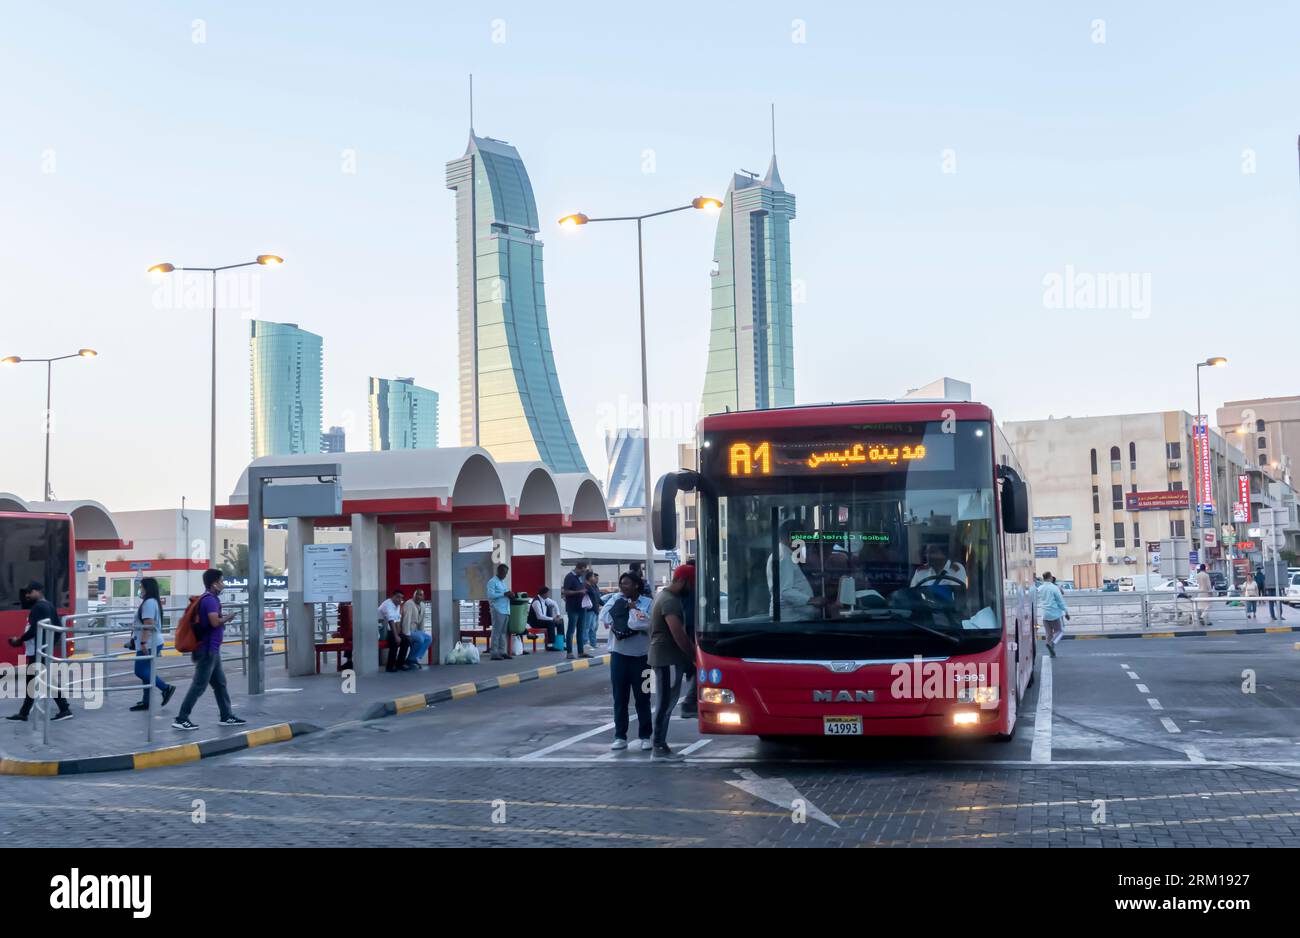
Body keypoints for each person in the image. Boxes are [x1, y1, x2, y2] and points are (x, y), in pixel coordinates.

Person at [173, 569, 245, 730]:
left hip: (212, 649)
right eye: (221, 581)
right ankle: (181, 718)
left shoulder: (208, 599)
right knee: (199, 685)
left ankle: (226, 716)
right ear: (214, 583)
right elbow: (214, 622)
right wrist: (228, 617)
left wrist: (222, 617)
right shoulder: (210, 600)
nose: (223, 584)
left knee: (220, 684)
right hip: (207, 650)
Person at [5, 581, 73, 722]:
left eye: (30, 592)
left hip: (38, 651)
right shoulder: (48, 605)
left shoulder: (39, 607)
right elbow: (58, 628)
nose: (28, 595)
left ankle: (64, 709)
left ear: (37, 591)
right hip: (40, 650)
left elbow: (34, 629)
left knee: (43, 680)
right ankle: (24, 713)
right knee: (35, 681)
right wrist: (50, 645)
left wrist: (19, 640)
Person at [648, 564, 696, 761]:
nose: (692, 589)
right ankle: (658, 747)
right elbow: (679, 634)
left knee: (666, 703)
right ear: (683, 581)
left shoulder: (665, 597)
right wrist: (694, 656)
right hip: (666, 659)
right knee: (665, 704)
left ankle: (660, 746)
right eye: (691, 584)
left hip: (665, 658)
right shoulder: (670, 601)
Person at [602, 572, 654, 751]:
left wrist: (632, 609)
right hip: (619, 656)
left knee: (644, 698)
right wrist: (619, 605)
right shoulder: (614, 600)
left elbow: (643, 624)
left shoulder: (648, 604)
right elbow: (606, 618)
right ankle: (620, 736)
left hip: (643, 658)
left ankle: (646, 736)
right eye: (621, 584)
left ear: (636, 586)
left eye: (627, 583)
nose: (623, 587)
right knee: (620, 698)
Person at [130, 577, 177, 711]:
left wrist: (144, 642)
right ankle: (147, 701)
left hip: (149, 643)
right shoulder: (150, 601)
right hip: (149, 642)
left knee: (140, 671)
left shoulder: (149, 602)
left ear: (147, 588)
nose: (140, 590)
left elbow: (149, 624)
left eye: (141, 587)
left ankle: (165, 688)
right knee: (146, 672)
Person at [766, 520, 825, 621]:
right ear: (789, 537)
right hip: (790, 619)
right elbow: (785, 591)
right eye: (799, 536)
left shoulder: (786, 554)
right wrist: (811, 600)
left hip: (795, 617)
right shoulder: (783, 557)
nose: (802, 541)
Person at [562, 560, 590, 660]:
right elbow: (565, 591)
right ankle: (569, 652)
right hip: (572, 607)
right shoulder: (569, 577)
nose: (583, 572)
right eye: (583, 570)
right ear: (578, 568)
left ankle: (581, 651)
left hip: (582, 607)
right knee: (571, 630)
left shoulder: (581, 577)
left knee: (581, 630)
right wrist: (579, 592)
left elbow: (583, 587)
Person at [1037, 572, 1069, 657]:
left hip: (1044, 614)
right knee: (1060, 631)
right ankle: (1051, 643)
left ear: (1043, 578)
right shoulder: (1054, 588)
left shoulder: (1040, 588)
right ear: (1050, 577)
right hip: (1055, 614)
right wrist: (1066, 611)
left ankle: (1051, 650)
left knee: (1049, 633)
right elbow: (1060, 601)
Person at [379, 589, 410, 672]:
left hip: (389, 630)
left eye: (401, 598)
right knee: (394, 640)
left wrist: (400, 634)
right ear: (392, 597)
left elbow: (397, 621)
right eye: (397, 597)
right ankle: (390, 666)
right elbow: (391, 620)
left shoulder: (398, 605)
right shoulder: (388, 604)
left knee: (406, 639)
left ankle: (400, 663)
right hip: (381, 630)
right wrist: (396, 636)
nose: (400, 600)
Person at [487, 564, 513, 660]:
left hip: (505, 609)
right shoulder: (492, 582)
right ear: (499, 571)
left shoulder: (502, 582)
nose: (505, 575)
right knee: (496, 631)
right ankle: (494, 653)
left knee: (503, 632)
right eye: (504, 573)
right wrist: (504, 593)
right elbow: (490, 595)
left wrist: (510, 594)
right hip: (497, 609)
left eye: (506, 573)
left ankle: (502, 651)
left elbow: (506, 592)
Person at [528, 586, 564, 651]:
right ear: (543, 594)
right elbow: (540, 616)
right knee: (551, 622)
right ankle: (550, 645)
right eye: (547, 593)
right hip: (535, 622)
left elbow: (555, 603)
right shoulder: (536, 602)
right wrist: (553, 619)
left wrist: (558, 615)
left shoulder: (545, 599)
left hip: (543, 621)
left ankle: (560, 643)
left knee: (560, 621)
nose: (548, 595)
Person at [402, 589, 430, 669]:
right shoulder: (409, 604)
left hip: (415, 630)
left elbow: (422, 621)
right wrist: (406, 634)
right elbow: (406, 620)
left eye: (421, 595)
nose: (418, 596)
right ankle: (410, 659)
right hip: (408, 630)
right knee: (420, 639)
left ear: (423, 597)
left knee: (428, 638)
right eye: (417, 594)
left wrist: (422, 632)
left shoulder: (423, 605)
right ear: (413, 595)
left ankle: (415, 657)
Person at [582, 570, 602, 654]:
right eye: (593, 577)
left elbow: (597, 598)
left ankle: (593, 643)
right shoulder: (586, 586)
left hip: (595, 610)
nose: (595, 578)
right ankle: (585, 643)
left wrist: (604, 604)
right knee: (587, 627)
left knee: (593, 628)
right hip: (589, 610)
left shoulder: (594, 586)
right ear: (590, 578)